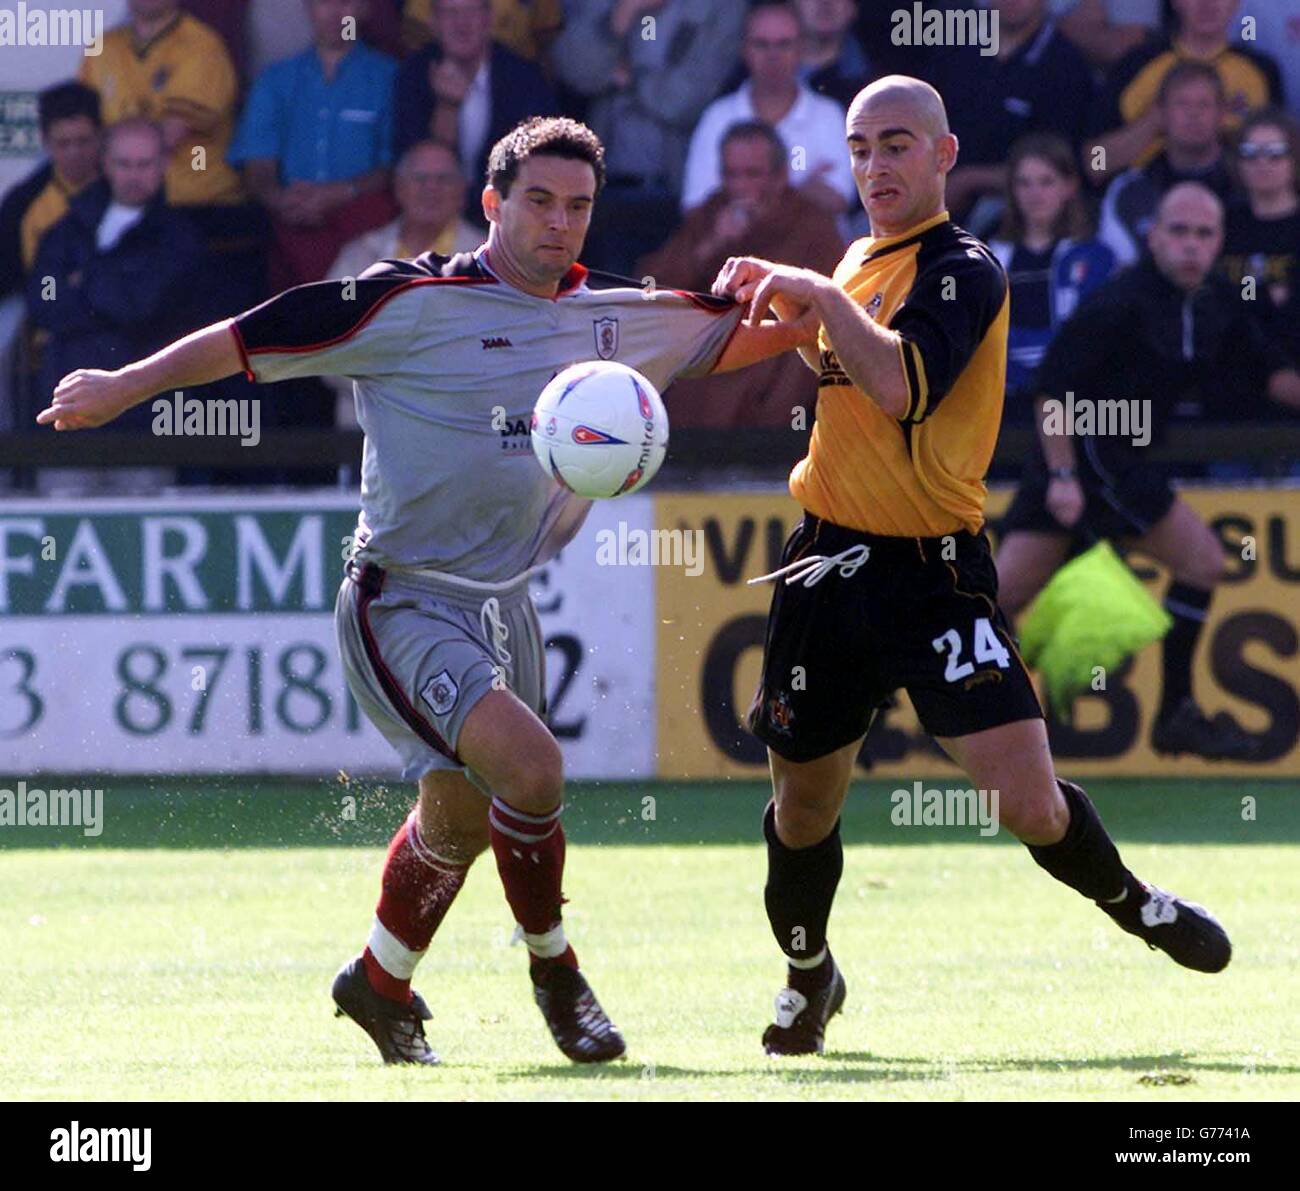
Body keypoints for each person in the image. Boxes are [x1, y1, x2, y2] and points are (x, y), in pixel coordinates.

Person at [37, 116, 810, 1067]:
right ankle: (558, 975)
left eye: (578, 207)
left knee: (456, 819)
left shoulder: (610, 315)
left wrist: (803, 300)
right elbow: (254, 335)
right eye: (539, 202)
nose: (559, 224)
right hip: (400, 600)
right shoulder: (407, 300)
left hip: (505, 601)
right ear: (492, 204)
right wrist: (125, 385)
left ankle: (378, 980)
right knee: (532, 772)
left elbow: (735, 337)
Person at [711, 76, 1235, 1058]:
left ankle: (1135, 902)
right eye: (861, 148)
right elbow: (804, 347)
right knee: (801, 806)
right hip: (824, 566)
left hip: (932, 576)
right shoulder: (857, 258)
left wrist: (819, 296)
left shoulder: (962, 269)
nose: (875, 166)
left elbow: (904, 389)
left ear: (945, 155)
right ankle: (807, 976)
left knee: (1029, 806)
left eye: (897, 145)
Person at [996, 183, 1300, 759]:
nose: (1190, 245)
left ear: (1218, 243)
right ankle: (980, 719)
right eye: (1178, 232)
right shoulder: (1118, 302)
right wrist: (1061, 477)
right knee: (994, 600)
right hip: (1087, 459)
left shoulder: (1215, 303)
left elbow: (1269, 373)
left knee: (1000, 598)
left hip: (1118, 465)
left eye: (1204, 234)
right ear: (1153, 236)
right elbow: (1052, 393)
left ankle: (1169, 716)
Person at [637, 120, 844, 428]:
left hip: (780, 353)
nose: (741, 187)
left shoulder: (811, 224)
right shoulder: (711, 213)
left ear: (780, 176)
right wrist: (710, 245)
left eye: (753, 174)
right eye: (732, 175)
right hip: (717, 346)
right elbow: (649, 289)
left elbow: (834, 303)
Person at [229, 0, 399, 290]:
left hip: (366, 236)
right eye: (324, 2)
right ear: (308, 8)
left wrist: (339, 193)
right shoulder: (275, 79)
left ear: (365, 9)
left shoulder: (392, 77)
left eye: (346, 2)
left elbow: (396, 165)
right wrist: (279, 199)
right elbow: (257, 162)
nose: (335, 13)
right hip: (288, 231)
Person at [325, 141, 481, 424]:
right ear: (398, 188)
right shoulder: (359, 256)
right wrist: (393, 392)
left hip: (460, 428)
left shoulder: (489, 260)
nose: (431, 189)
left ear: (463, 190)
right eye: (420, 179)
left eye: (443, 179)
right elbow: (324, 339)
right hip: (368, 428)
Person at [921, 0, 1096, 229]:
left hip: (1010, 208)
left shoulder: (1066, 66)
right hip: (934, 187)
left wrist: (968, 180)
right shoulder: (954, 45)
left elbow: (1059, 164)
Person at [988, 133, 1115, 424]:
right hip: (1002, 400)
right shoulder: (989, 257)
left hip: (1076, 402)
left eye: (1047, 182)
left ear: (1069, 186)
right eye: (1024, 183)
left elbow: (1085, 338)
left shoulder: (1097, 258)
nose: (1035, 194)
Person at [681, 3, 855, 216]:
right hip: (734, 249)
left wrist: (743, 198)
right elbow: (696, 208)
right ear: (743, 49)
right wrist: (799, 190)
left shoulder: (829, 115)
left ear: (800, 49)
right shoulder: (718, 117)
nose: (773, 55)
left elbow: (839, 198)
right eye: (761, 44)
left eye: (784, 44)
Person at [1086, 0, 1284, 184]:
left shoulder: (1261, 71)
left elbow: (1285, 163)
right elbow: (1093, 164)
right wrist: (1152, 122)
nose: (1207, 4)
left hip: (1235, 206)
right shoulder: (1136, 63)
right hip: (1145, 203)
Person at [394, 0, 559, 209]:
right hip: (433, 207)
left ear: (489, 19)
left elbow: (540, 161)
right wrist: (447, 108)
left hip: (505, 209)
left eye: (472, 11)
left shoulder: (524, 78)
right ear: (433, 23)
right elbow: (419, 167)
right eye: (450, 13)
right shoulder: (413, 74)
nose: (462, 23)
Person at [78, 0, 244, 209]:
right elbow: (80, 125)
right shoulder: (102, 46)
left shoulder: (202, 46)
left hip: (196, 205)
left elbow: (162, 137)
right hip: (125, 204)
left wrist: (101, 142)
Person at [1097, 60, 1236, 266]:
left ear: (1222, 113)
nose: (1193, 114)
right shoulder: (1130, 191)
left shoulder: (1248, 183)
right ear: (1161, 112)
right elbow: (1118, 272)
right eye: (1182, 104)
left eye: (1204, 104)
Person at [0, 83, 103, 299]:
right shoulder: (21, 205)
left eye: (83, 141)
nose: (74, 153)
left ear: (100, 136)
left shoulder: (131, 192)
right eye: (63, 143)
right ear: (46, 142)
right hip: (45, 319)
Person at [1220, 107, 1300, 369]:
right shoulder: (1219, 223)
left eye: (1275, 153)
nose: (1262, 163)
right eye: (1250, 153)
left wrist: (1251, 295)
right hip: (1231, 363)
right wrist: (1267, 295)